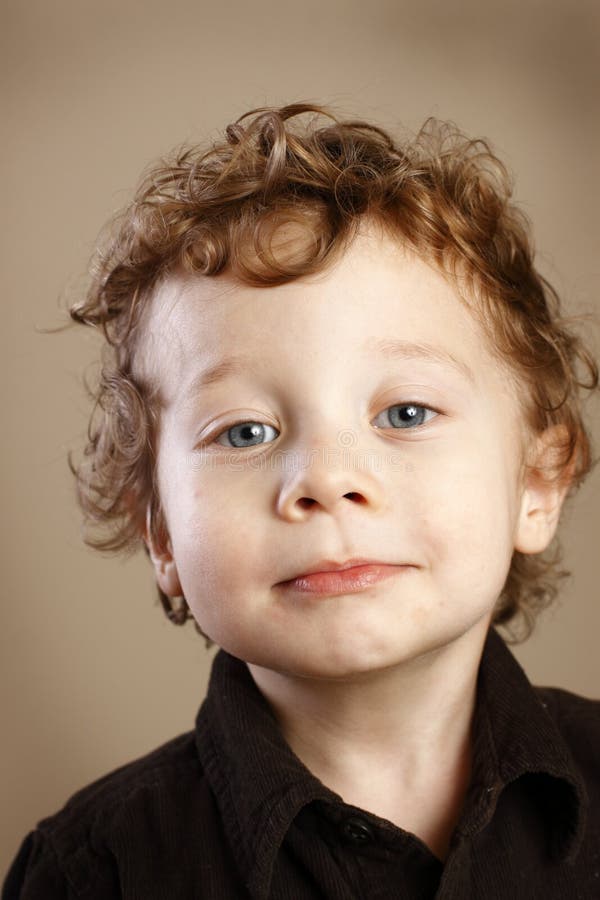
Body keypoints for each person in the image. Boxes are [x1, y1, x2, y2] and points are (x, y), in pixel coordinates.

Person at [3, 102, 599, 899]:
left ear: (537, 484)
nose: (325, 479)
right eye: (245, 432)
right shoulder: (94, 873)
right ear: (163, 536)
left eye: (406, 414)